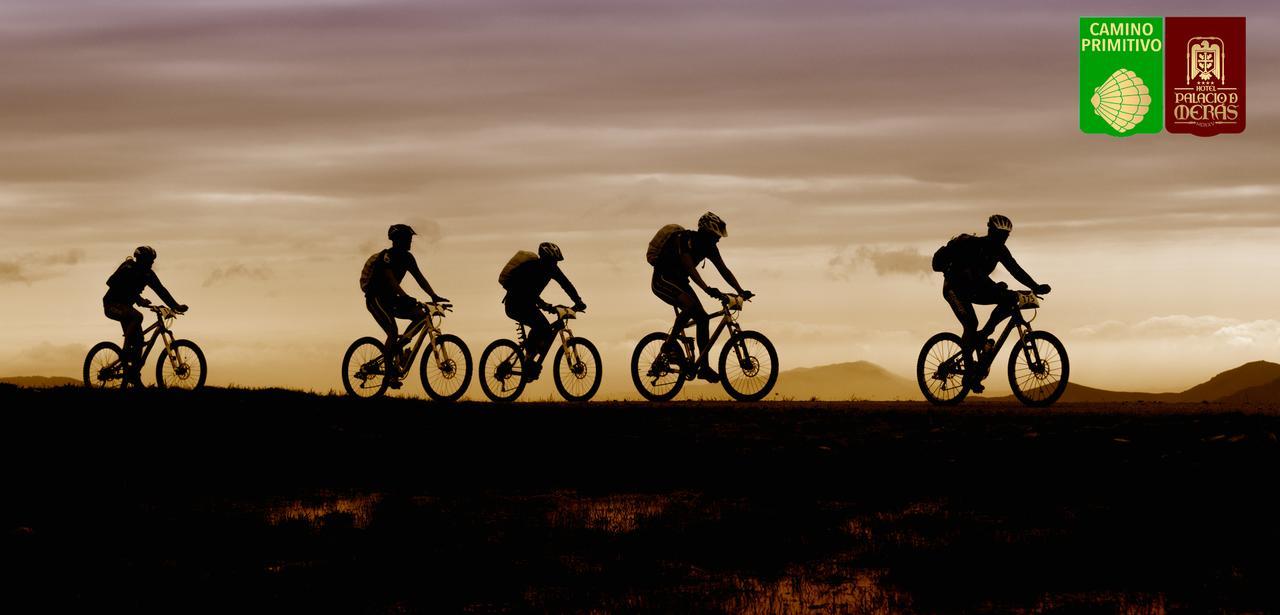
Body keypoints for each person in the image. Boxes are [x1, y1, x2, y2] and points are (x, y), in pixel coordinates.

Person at [938, 214, 1051, 392]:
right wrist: (995, 287)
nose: (1002, 239)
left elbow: (1016, 270)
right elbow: (973, 274)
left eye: (1005, 236)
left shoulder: (1001, 250)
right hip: (955, 288)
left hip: (975, 288)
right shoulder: (974, 246)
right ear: (990, 231)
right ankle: (968, 377)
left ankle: (983, 335)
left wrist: (1035, 286)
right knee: (971, 323)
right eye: (999, 235)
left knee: (1009, 299)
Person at [650, 212, 752, 383]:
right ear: (708, 233)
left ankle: (703, 368)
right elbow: (690, 268)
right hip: (663, 280)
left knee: (703, 318)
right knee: (690, 307)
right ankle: (668, 347)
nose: (718, 239)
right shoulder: (684, 239)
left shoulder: (710, 248)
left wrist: (741, 290)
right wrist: (707, 289)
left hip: (680, 282)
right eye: (716, 236)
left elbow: (724, 270)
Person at [360, 224, 448, 388]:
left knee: (421, 315)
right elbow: (391, 280)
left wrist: (434, 296)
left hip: (392, 298)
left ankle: (399, 347)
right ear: (397, 240)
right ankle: (389, 375)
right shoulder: (387, 256)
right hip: (376, 298)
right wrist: (405, 296)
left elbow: (420, 278)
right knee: (392, 332)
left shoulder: (408, 258)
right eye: (408, 238)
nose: (410, 242)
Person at [103, 246, 188, 388]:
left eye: (152, 261)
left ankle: (133, 375)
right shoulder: (128, 267)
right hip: (112, 304)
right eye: (149, 261)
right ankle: (124, 354)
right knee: (137, 316)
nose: (151, 264)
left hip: (127, 308)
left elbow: (161, 290)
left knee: (139, 341)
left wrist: (175, 306)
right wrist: (137, 298)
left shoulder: (148, 274)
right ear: (140, 260)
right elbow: (111, 282)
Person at [501, 242, 586, 380]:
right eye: (553, 261)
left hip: (528, 304)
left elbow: (566, 284)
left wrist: (578, 301)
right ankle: (528, 360)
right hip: (515, 304)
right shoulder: (532, 268)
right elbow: (528, 291)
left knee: (543, 329)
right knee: (542, 327)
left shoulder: (552, 270)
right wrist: (545, 305)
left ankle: (530, 357)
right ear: (545, 259)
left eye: (556, 262)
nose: (555, 265)